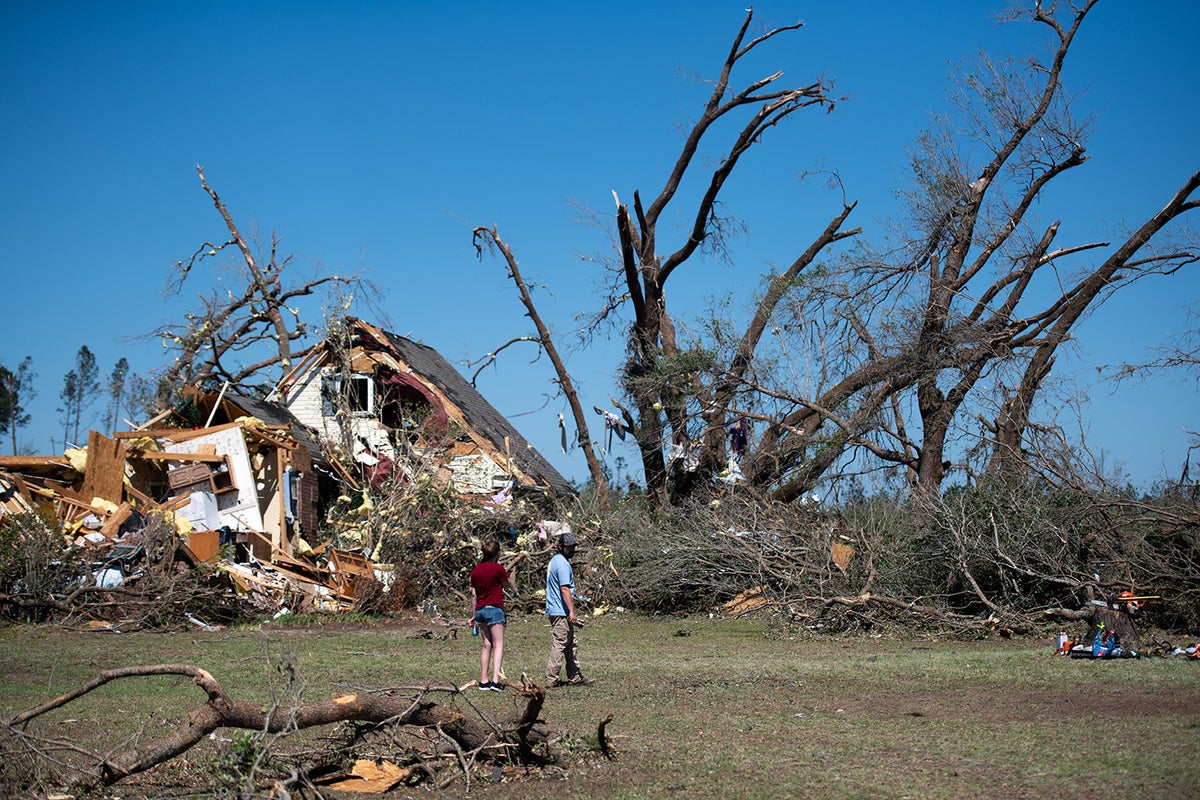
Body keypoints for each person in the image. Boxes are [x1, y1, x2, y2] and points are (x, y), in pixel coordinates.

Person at [544, 533, 594, 687]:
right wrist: (572, 612)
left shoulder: (555, 561)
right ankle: (551, 679)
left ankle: (575, 676)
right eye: (568, 547)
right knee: (560, 643)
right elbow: (564, 589)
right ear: (560, 547)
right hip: (561, 610)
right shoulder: (563, 565)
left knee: (570, 643)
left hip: (557, 609)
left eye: (573, 546)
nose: (572, 549)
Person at [470, 538, 514, 691]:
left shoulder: (475, 570)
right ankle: (495, 680)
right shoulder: (498, 569)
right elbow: (507, 585)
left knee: (486, 645)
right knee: (498, 644)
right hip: (494, 609)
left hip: (480, 610)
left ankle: (484, 680)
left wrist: (474, 614)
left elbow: (473, 594)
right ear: (497, 553)